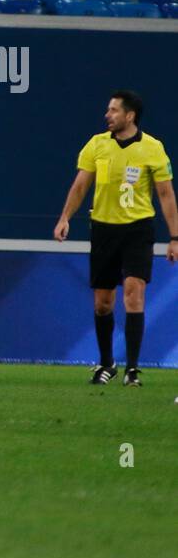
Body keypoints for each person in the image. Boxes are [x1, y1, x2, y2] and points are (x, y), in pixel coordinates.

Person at [54, 91, 177, 387]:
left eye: (113, 110)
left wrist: (175, 237)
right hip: (104, 230)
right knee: (103, 303)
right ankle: (107, 363)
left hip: (138, 229)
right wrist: (65, 217)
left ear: (130, 115)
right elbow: (81, 185)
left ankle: (132, 369)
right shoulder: (96, 145)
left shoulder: (152, 148)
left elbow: (165, 194)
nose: (107, 115)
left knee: (134, 292)